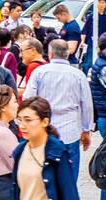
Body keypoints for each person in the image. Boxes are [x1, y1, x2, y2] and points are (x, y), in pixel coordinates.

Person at [23, 38, 93, 173]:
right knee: (69, 175)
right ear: (67, 54)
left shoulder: (40, 72)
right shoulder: (78, 75)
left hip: (44, 129)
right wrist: (86, 129)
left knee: (44, 173)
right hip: (70, 130)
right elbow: (87, 105)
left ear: (50, 54)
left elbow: (28, 98)